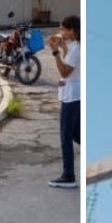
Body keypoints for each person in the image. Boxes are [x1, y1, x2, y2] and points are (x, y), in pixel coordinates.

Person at [47, 15, 81, 188]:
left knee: (66, 136)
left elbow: (65, 72)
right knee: (76, 133)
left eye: (63, 29)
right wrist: (62, 47)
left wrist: (55, 53)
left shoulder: (77, 49)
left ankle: (69, 176)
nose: (60, 32)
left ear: (72, 31)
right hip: (74, 94)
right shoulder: (74, 47)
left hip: (72, 97)